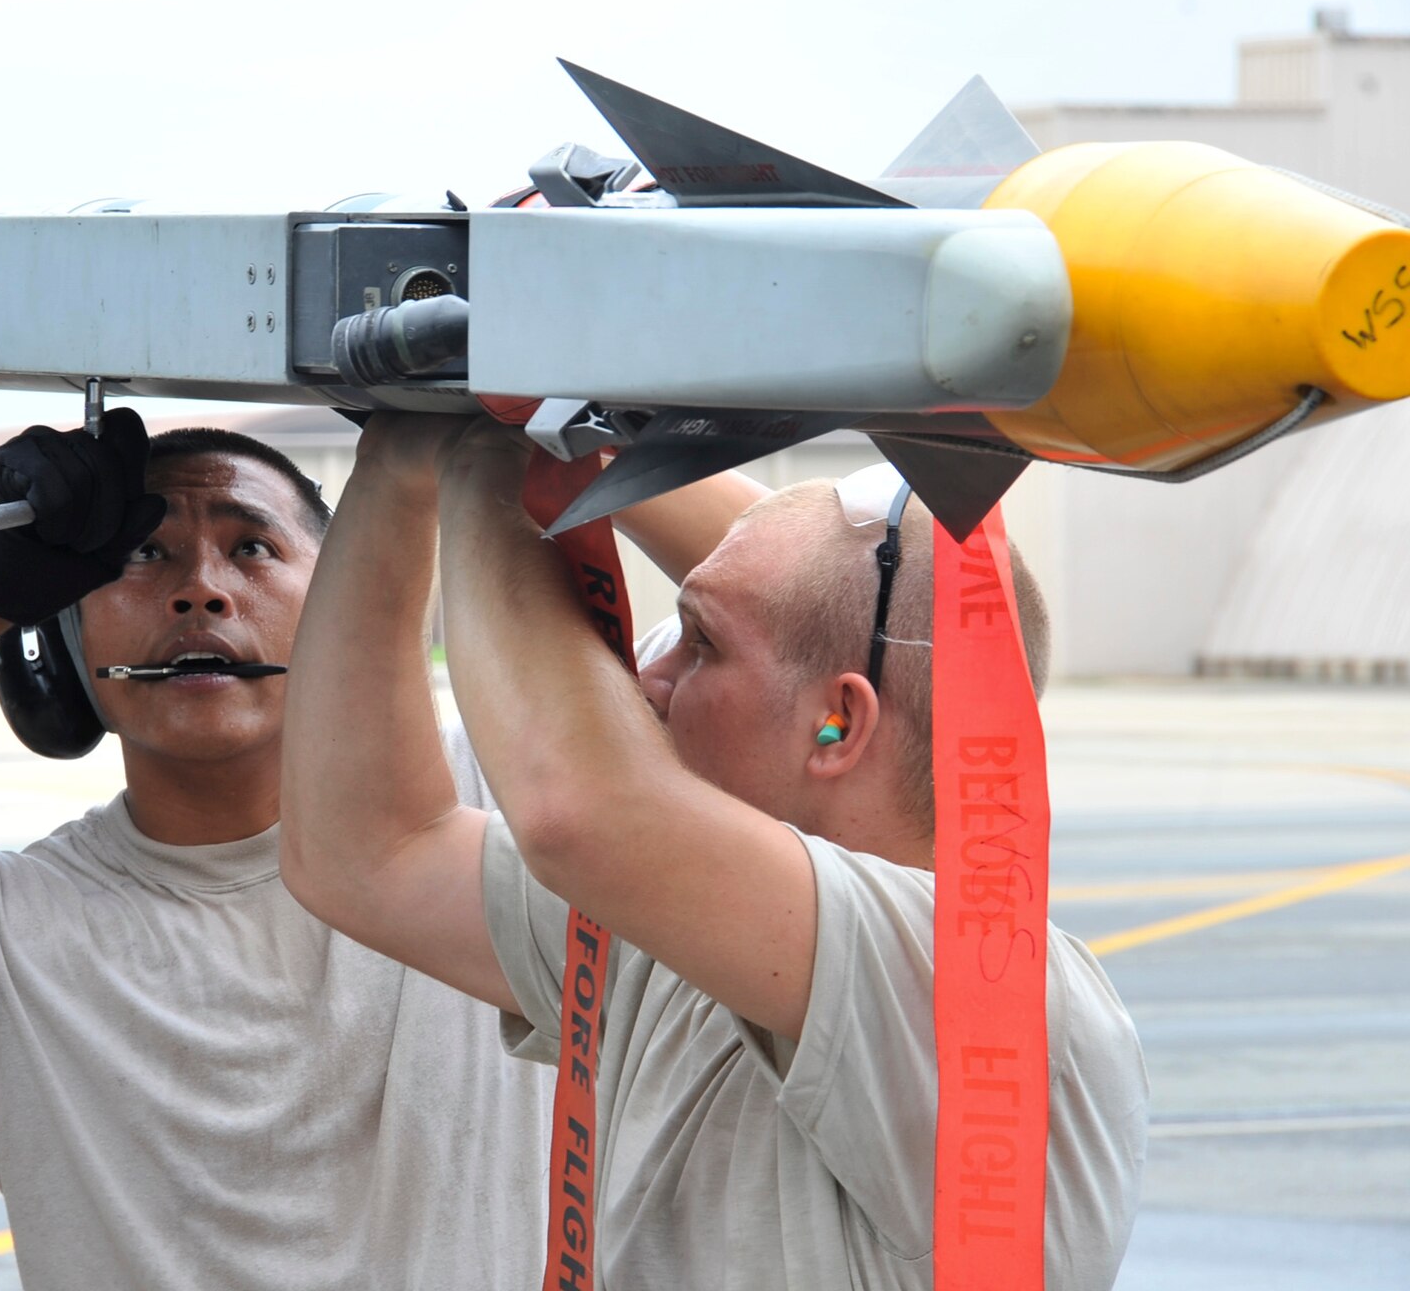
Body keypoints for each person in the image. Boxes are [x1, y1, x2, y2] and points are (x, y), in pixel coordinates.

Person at [0, 414, 568, 1289]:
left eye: (252, 546)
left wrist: (473, 437)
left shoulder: (517, 809)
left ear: (344, 591)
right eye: (143, 554)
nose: (199, 589)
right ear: (61, 634)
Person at [280, 415, 1150, 1290]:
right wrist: (408, 462)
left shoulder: (983, 987)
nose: (651, 684)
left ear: (837, 725)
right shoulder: (691, 937)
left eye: (698, 645)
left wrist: (486, 461)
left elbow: (580, 810)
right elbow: (365, 851)